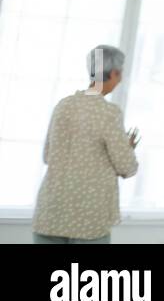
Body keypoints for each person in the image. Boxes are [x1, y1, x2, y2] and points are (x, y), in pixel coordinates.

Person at [32, 44, 140, 244]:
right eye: (121, 73)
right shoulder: (109, 113)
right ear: (115, 73)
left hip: (50, 212)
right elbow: (126, 166)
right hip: (87, 218)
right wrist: (128, 148)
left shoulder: (63, 105)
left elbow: (48, 155)